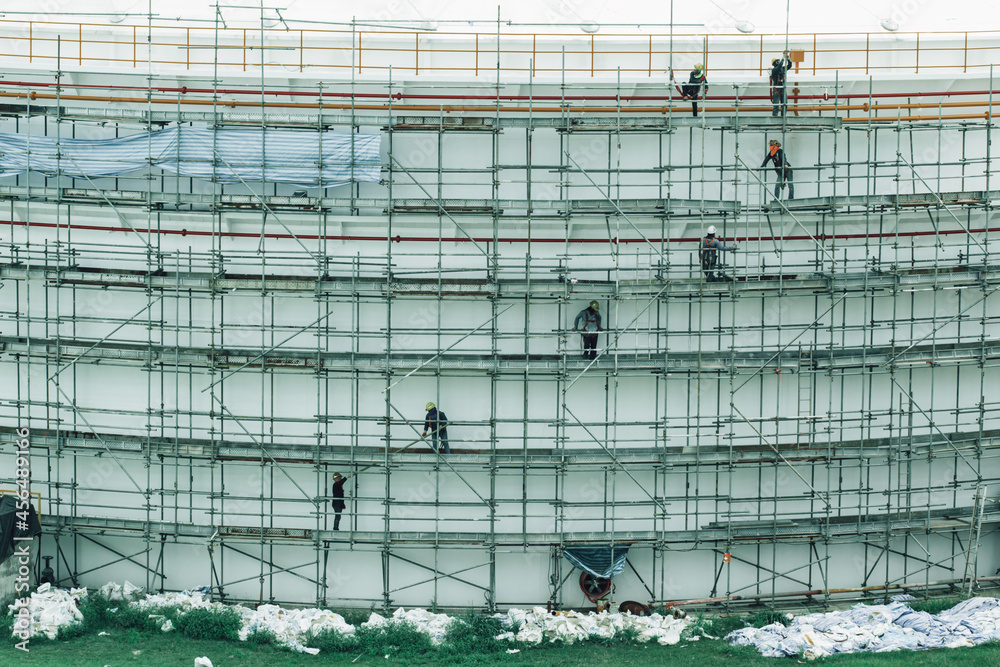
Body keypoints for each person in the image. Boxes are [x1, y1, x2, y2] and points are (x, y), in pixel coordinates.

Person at [769, 52, 792, 116]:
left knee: (784, 106)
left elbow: (789, 66)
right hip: (777, 91)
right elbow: (778, 67)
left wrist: (788, 59)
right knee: (776, 106)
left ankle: (783, 118)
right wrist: (783, 58)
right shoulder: (774, 70)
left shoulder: (783, 69)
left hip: (783, 90)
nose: (778, 62)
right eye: (777, 61)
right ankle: (775, 119)